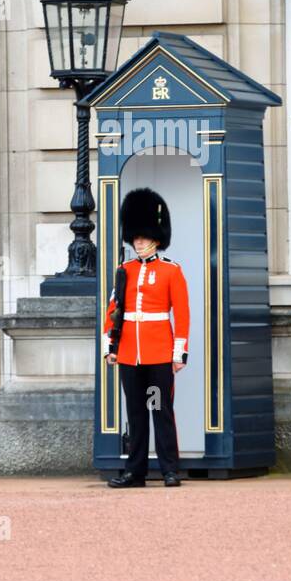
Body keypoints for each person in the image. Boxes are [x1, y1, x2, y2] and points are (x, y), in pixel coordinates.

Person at [103, 188, 190, 488]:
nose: (138, 241)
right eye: (135, 237)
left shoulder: (170, 271)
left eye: (143, 236)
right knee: (136, 413)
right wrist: (109, 347)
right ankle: (135, 471)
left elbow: (182, 314)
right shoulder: (123, 271)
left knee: (160, 410)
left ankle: (169, 469)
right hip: (129, 353)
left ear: (156, 237)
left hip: (158, 353)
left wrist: (179, 353)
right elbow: (113, 311)